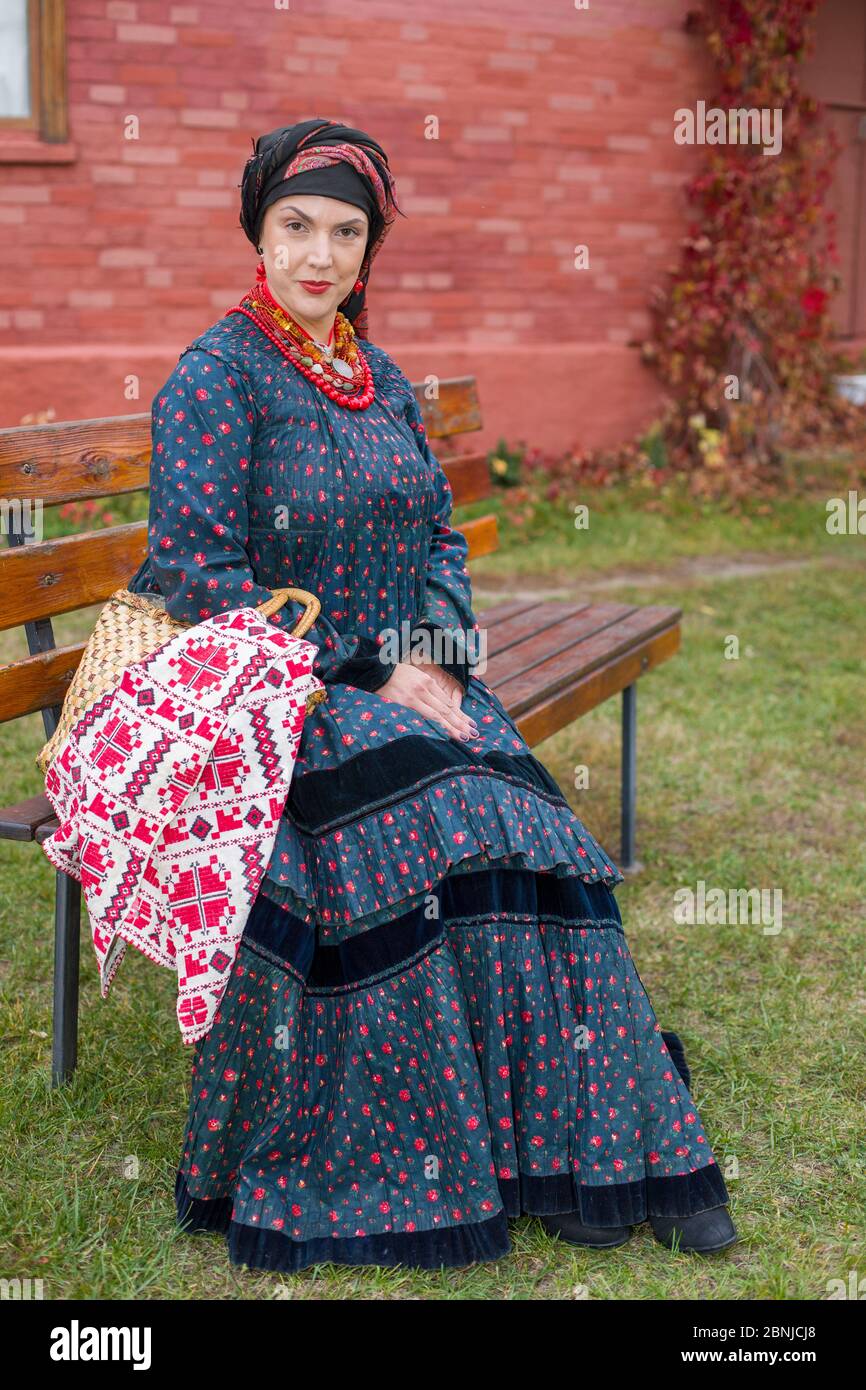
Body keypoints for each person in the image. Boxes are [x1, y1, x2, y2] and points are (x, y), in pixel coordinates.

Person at [127, 117, 737, 1273]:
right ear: (257, 231)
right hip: (284, 697)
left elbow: (439, 538)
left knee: (537, 825)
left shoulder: (378, 377)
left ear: (369, 249)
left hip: (410, 678)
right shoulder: (216, 380)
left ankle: (622, 1133)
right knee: (446, 813)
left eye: (343, 232)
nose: (317, 254)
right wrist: (369, 667)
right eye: (294, 226)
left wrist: (437, 659)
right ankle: (423, 1146)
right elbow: (197, 580)